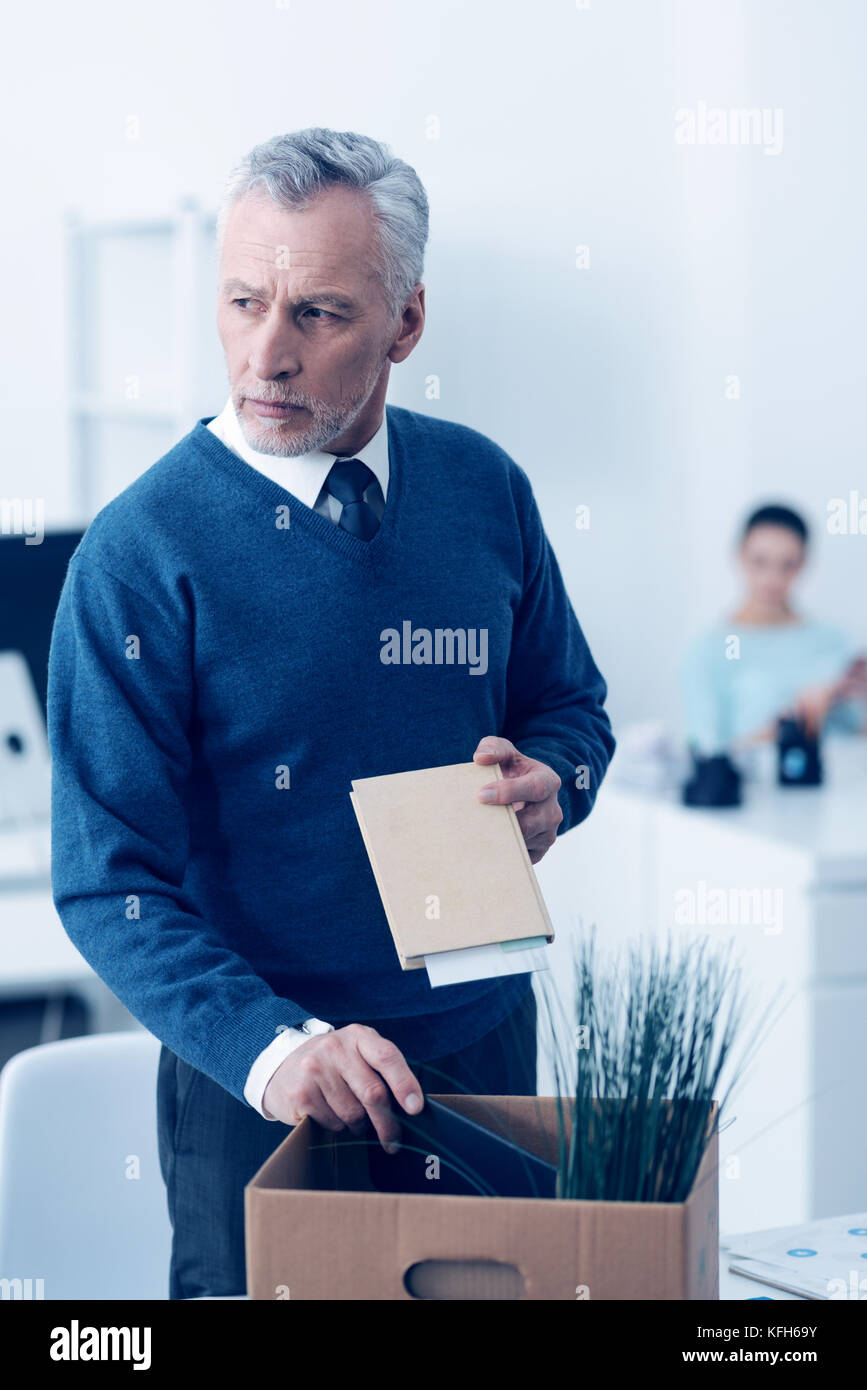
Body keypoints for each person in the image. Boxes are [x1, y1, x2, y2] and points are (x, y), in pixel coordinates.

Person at [46, 128, 615, 1298]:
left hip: (485, 1041)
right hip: (263, 1080)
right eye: (245, 300)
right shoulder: (142, 552)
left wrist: (560, 778)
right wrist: (281, 1050)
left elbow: (572, 707)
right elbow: (111, 880)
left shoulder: (485, 488)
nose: (267, 353)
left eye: (319, 314)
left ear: (406, 324)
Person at [681, 503, 865, 756]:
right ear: (740, 555)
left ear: (803, 563)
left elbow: (857, 732)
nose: (772, 578)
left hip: (836, 790)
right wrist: (786, 728)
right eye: (760, 562)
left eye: (787, 564)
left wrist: (836, 698)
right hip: (756, 792)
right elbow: (706, 754)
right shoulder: (707, 650)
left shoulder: (835, 641)